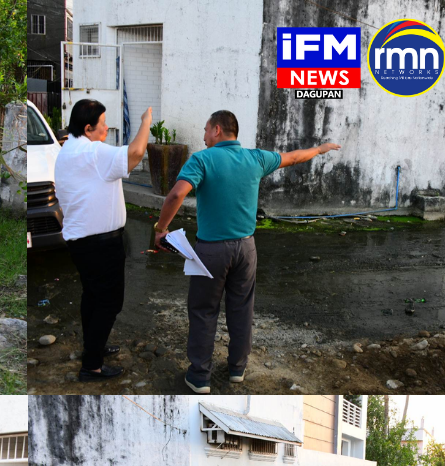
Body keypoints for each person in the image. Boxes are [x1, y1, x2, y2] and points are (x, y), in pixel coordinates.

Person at [152, 110, 340, 393]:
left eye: (205, 129)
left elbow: (177, 194)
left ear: (217, 129)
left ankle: (200, 377)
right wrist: (320, 149)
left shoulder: (202, 159)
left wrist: (161, 229)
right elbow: (294, 157)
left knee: (204, 311)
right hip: (247, 248)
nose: (203, 136)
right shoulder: (256, 158)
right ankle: (237, 369)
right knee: (242, 309)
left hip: (211, 251)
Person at [54, 99, 153, 382]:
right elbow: (135, 154)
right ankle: (92, 366)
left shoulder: (70, 149)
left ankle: (93, 347)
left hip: (84, 241)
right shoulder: (90, 152)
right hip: (98, 243)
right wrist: (146, 123)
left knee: (93, 298)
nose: (107, 127)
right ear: (88, 128)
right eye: (103, 123)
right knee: (109, 302)